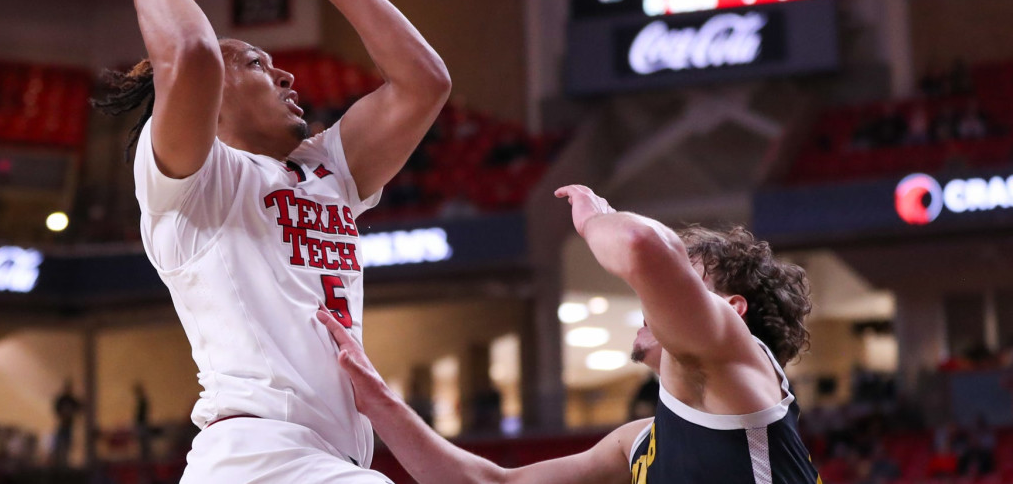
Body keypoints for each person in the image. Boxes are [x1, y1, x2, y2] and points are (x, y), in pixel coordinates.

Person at [93, 0, 449, 484]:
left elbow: (425, 83)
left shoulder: (326, 172)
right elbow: (194, 55)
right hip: (263, 455)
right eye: (258, 63)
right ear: (215, 100)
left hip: (315, 459)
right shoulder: (190, 181)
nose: (286, 77)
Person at [317, 184, 820, 483]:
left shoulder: (740, 365)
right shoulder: (639, 441)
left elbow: (641, 242)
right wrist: (378, 401)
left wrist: (595, 220)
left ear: (732, 311)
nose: (652, 297)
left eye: (687, 275)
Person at [52, 380, 82, 468]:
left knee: (67, 444)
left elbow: (79, 408)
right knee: (59, 442)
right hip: (62, 424)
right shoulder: (62, 399)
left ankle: (65, 462)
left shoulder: (72, 399)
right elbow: (56, 409)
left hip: (69, 425)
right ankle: (57, 460)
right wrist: (62, 416)